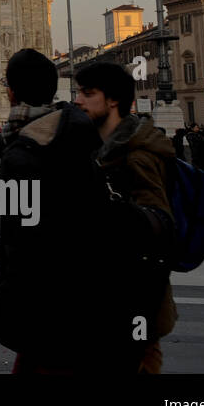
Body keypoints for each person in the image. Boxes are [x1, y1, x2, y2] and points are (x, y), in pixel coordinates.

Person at [0, 48, 138, 373]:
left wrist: (5, 314)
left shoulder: (22, 153)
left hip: (49, 315)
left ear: (11, 92)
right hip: (96, 305)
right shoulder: (87, 135)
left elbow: (19, 247)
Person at [74, 61, 177, 373]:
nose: (78, 100)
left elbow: (159, 228)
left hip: (133, 307)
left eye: (87, 93)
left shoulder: (137, 156)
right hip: (108, 303)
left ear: (113, 100)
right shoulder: (101, 149)